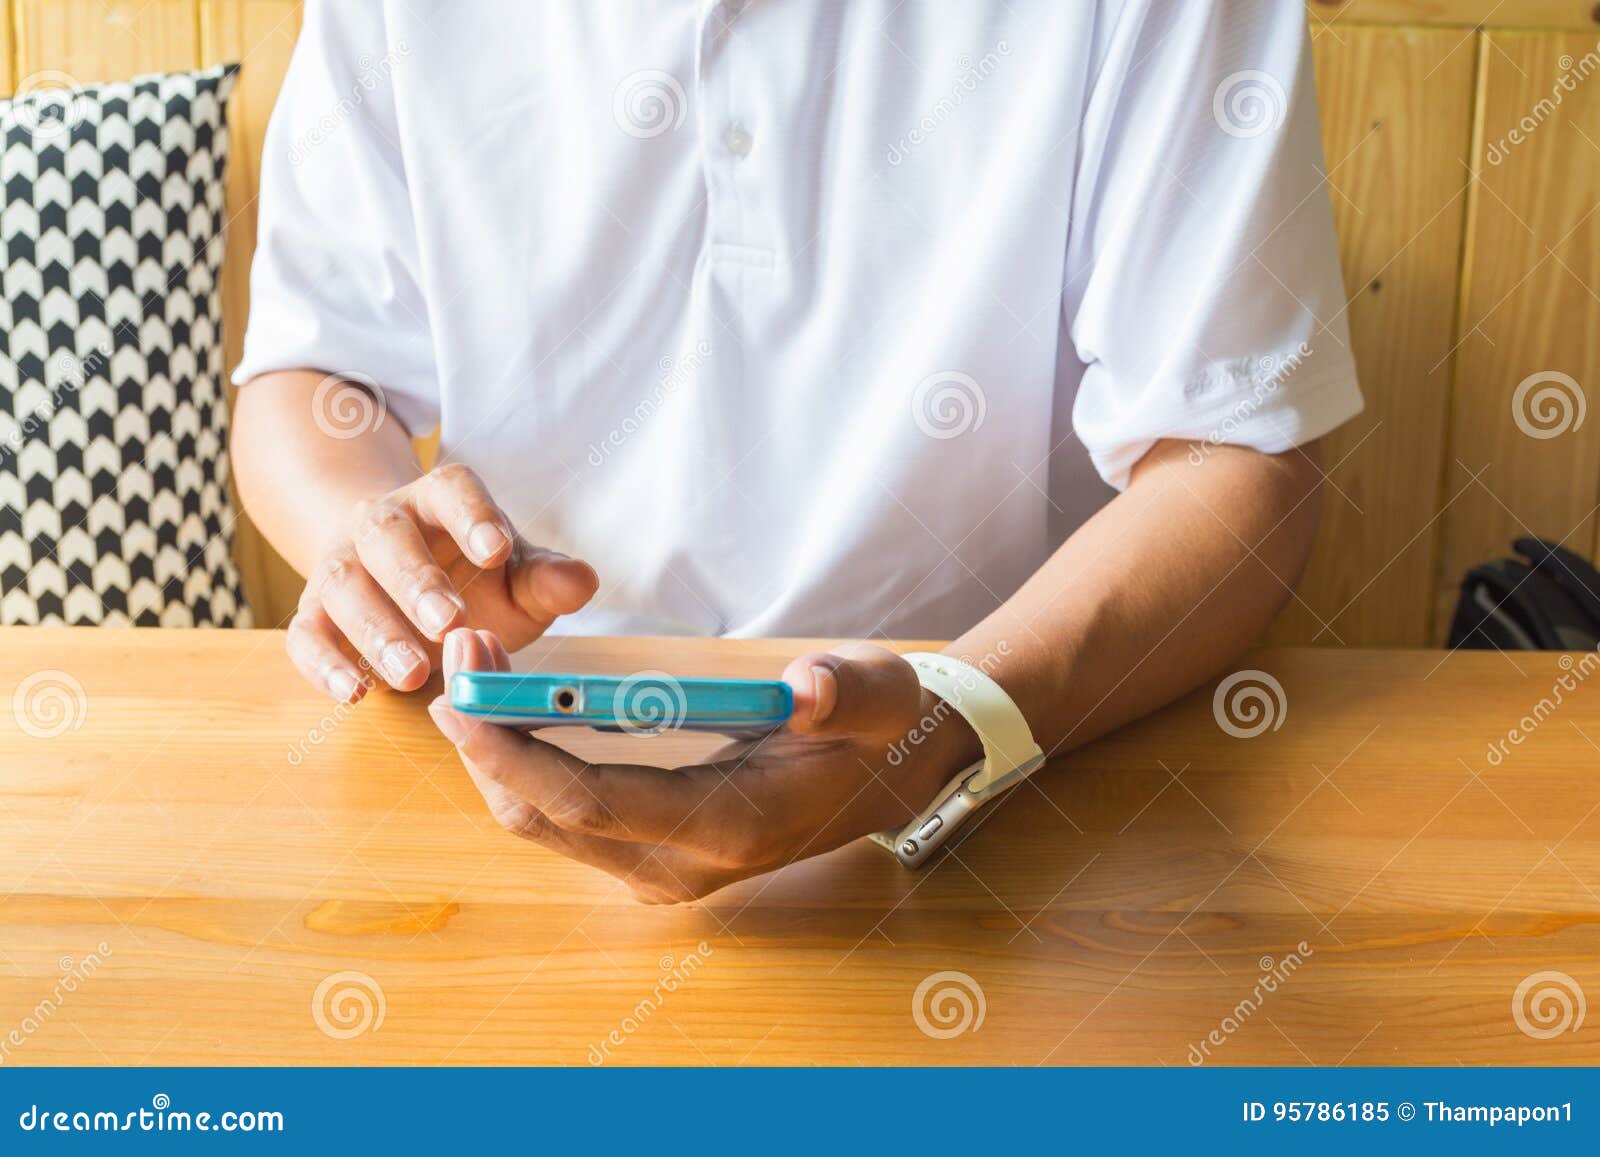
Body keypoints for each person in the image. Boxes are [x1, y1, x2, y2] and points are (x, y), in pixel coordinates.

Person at [232, 1, 1361, 903]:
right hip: (487, 760)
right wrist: (380, 553)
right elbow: (315, 376)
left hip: (1027, 777)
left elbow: (1236, 461)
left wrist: (953, 715)